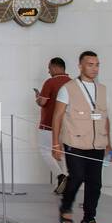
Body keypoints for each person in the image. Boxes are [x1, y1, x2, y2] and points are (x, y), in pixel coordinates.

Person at [52, 50, 112, 223]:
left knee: (95, 184)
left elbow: (105, 117)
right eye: (90, 64)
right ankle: (66, 206)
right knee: (77, 177)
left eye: (97, 64)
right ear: (80, 66)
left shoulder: (102, 89)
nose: (94, 68)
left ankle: (89, 220)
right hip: (74, 142)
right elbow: (58, 115)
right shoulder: (68, 88)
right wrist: (55, 144)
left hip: (97, 144)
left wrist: (108, 143)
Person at [35, 57, 72, 193]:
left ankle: (60, 175)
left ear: (56, 68)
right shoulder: (73, 83)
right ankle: (66, 180)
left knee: (45, 151)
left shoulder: (50, 82)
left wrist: (38, 98)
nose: (48, 71)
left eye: (50, 68)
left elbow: (43, 102)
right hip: (67, 126)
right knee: (61, 153)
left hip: (49, 124)